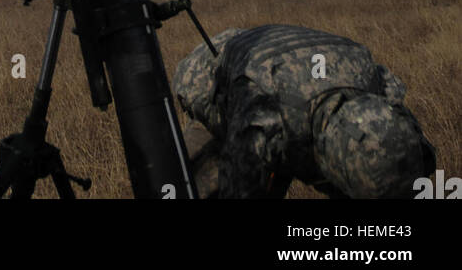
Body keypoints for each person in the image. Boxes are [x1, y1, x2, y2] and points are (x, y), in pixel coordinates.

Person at [174, 24, 436, 200]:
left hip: (294, 63)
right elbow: (241, 185)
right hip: (216, 74)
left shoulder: (388, 113)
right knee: (206, 185)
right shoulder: (264, 121)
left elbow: (413, 161)